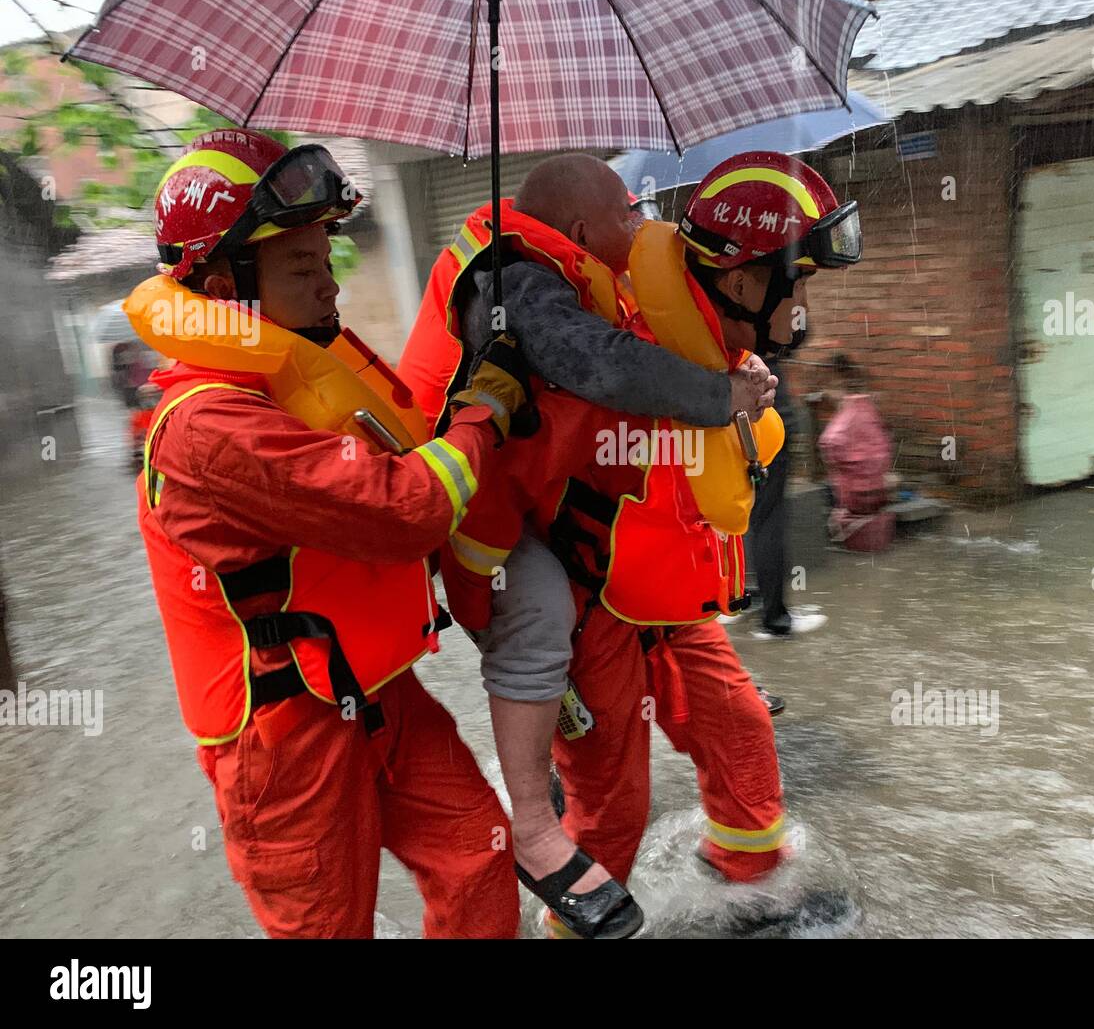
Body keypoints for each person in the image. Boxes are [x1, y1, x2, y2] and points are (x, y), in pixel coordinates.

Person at [402, 151, 860, 934]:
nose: (807, 305)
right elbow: (595, 372)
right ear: (750, 280)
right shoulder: (558, 309)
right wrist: (721, 397)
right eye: (803, 281)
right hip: (584, 598)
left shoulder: (680, 317)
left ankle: (747, 893)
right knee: (614, 805)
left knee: (740, 729)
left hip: (661, 592)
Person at [129, 130, 526, 939]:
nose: (329, 290)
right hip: (284, 742)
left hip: (370, 688)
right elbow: (403, 507)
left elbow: (401, 457)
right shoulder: (211, 423)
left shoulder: (290, 383)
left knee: (477, 857)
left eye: (326, 262)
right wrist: (487, 412)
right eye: (302, 270)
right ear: (221, 285)